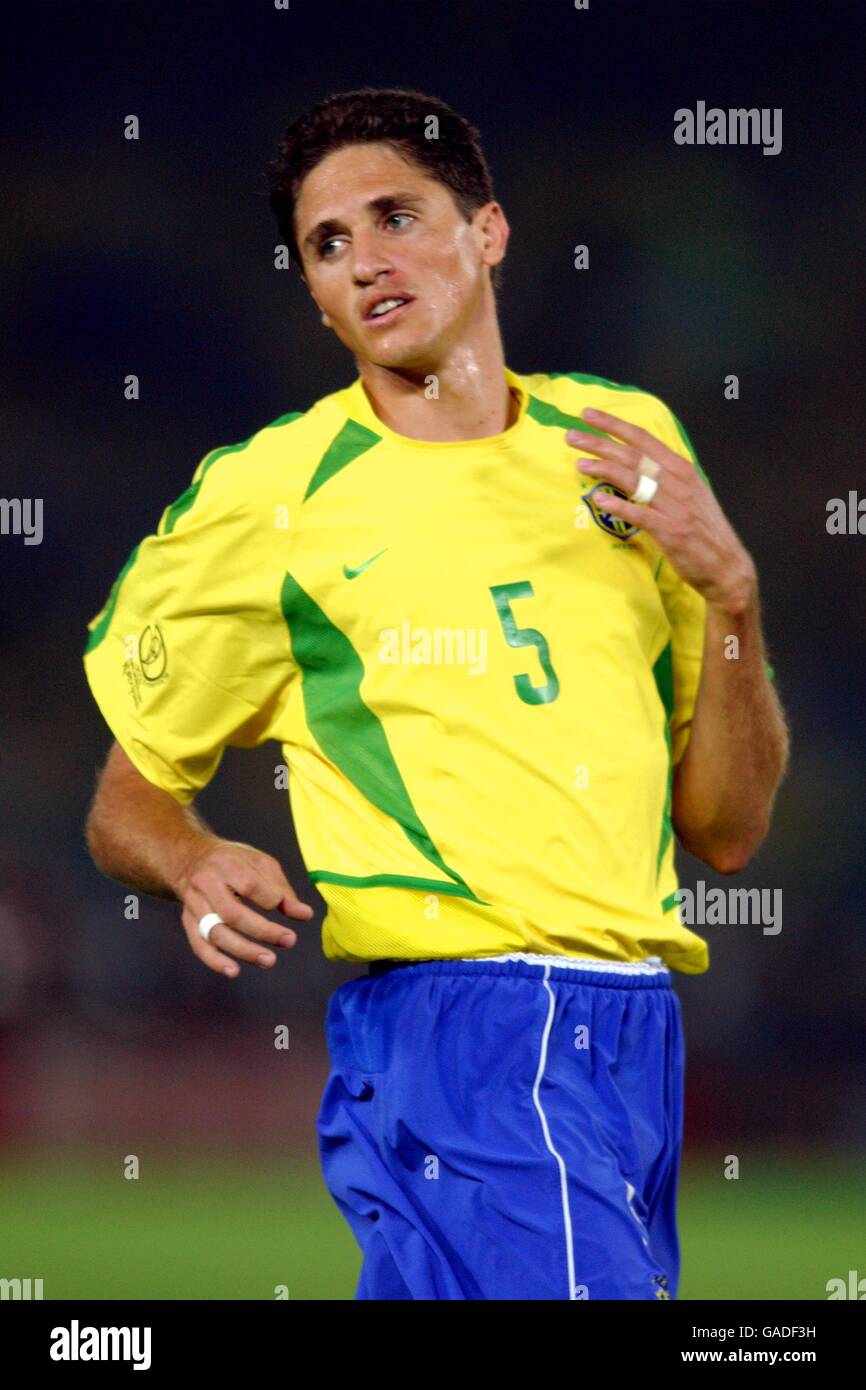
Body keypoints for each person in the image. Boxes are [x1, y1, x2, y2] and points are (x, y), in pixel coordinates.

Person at [82, 87, 790, 1300]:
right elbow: (125, 803)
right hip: (466, 1030)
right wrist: (192, 858)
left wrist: (731, 595)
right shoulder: (273, 497)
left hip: (631, 1035)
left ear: (489, 231)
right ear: (308, 286)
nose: (364, 263)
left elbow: (725, 832)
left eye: (395, 217)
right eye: (327, 244)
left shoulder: (624, 444)